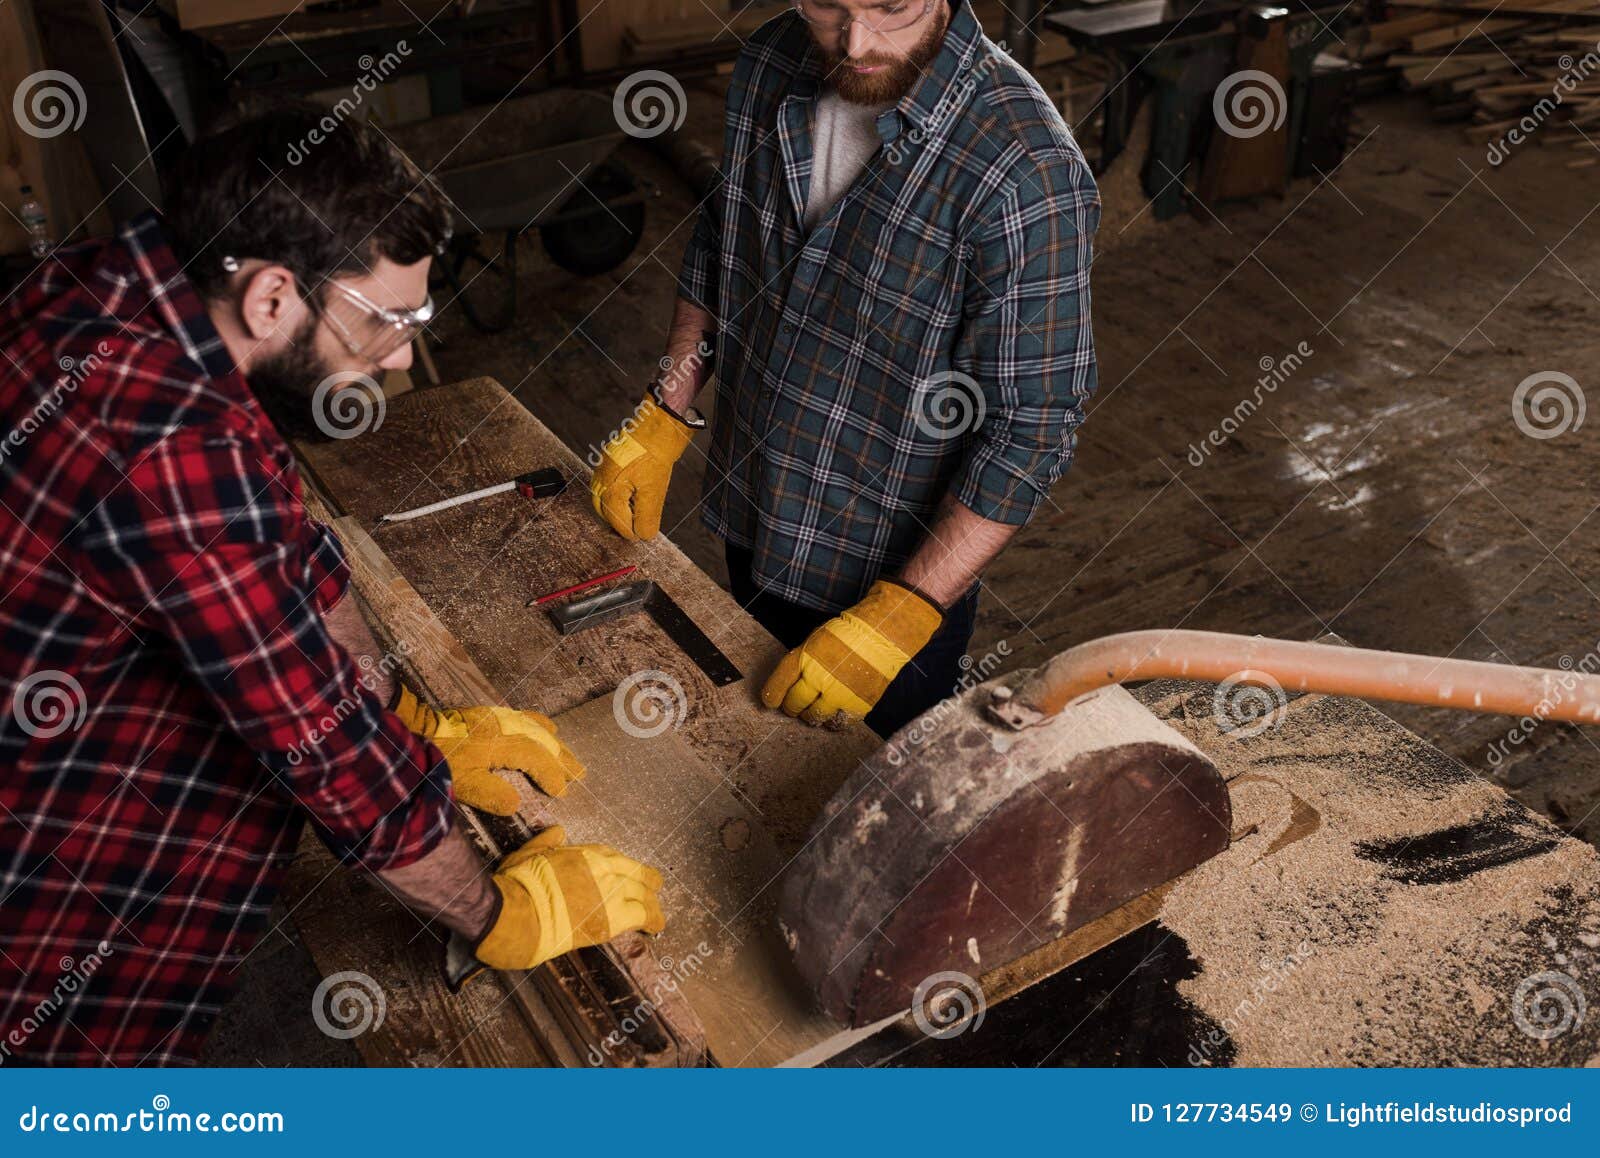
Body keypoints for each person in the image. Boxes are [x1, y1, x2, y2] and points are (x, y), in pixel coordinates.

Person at [0, 107, 662, 1066]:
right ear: (274, 296)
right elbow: (320, 753)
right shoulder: (169, 451)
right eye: (389, 321)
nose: (400, 356)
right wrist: (497, 911)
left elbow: (284, 537)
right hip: (63, 895)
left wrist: (405, 711)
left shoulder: (117, 285)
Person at [591, 0, 1101, 738]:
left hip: (884, 580)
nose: (855, 41)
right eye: (827, 4)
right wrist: (665, 412)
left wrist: (902, 614)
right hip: (752, 516)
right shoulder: (771, 61)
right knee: (758, 773)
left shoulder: (1026, 169)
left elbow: (1031, 432)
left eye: (890, 6)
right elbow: (723, 242)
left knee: (880, 812)